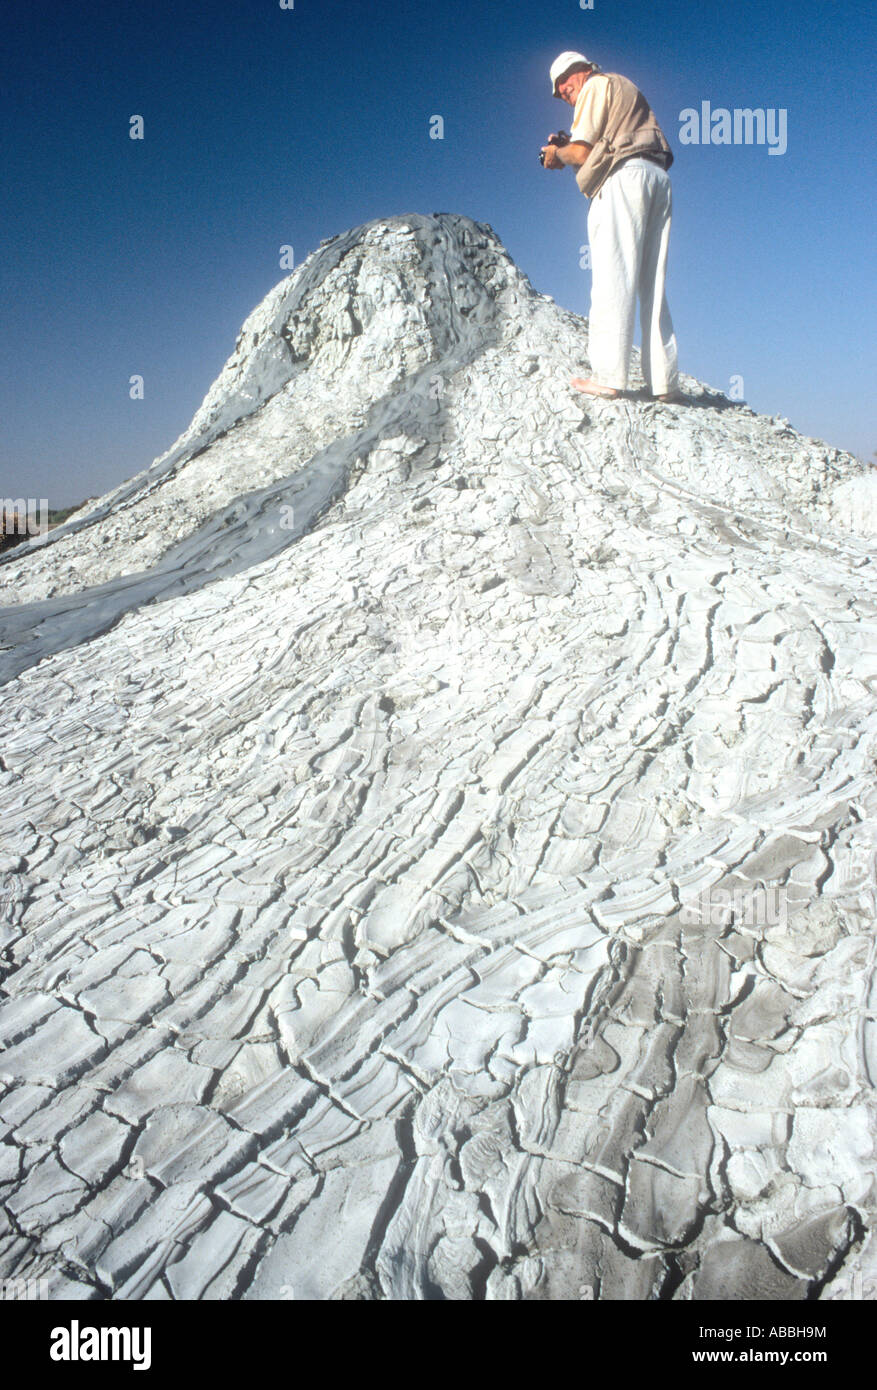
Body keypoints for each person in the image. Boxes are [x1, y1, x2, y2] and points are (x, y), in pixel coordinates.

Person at [541, 51, 682, 403]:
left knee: (612, 275)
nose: (564, 96)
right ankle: (664, 383)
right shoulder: (623, 85)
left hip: (623, 179)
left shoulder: (594, 86)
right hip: (657, 177)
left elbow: (584, 153)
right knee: (652, 283)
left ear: (575, 74)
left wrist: (557, 154)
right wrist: (566, 147)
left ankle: (607, 377)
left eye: (564, 89)